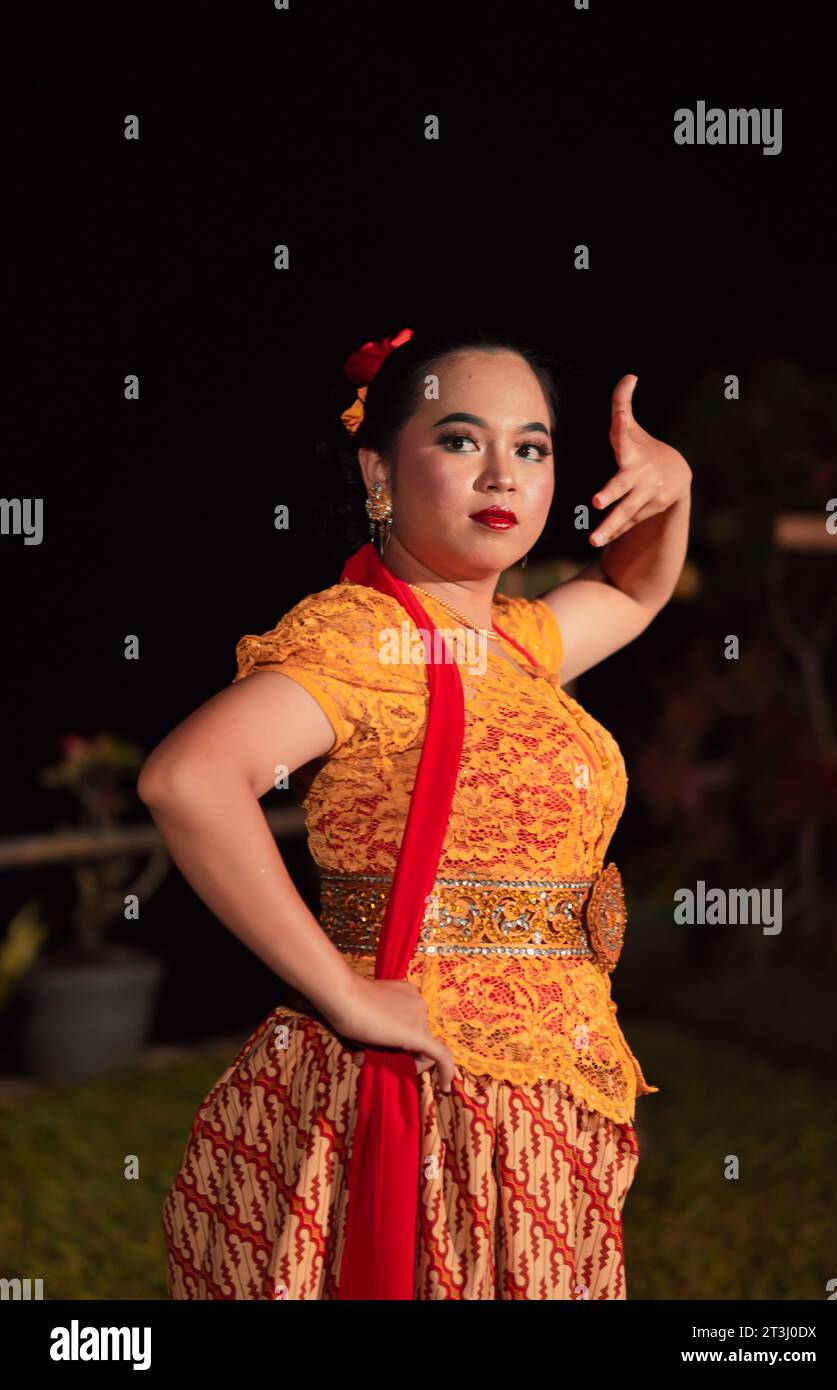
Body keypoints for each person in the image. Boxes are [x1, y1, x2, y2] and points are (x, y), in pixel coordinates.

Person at [140, 325, 692, 1300]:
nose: (501, 475)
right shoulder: (369, 638)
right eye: (458, 440)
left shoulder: (519, 642)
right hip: (432, 1091)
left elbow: (634, 589)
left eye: (529, 448)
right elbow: (189, 779)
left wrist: (673, 479)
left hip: (550, 1083)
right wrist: (344, 993)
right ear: (376, 469)